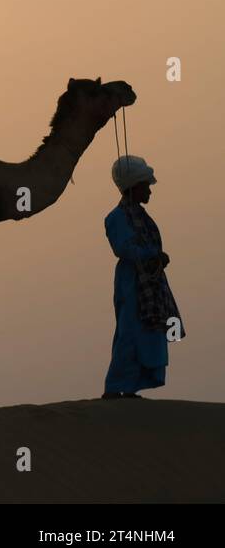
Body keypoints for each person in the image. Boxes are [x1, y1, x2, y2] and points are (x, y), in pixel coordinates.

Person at [101, 155, 182, 399]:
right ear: (134, 187)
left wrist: (156, 258)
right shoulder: (116, 218)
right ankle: (115, 389)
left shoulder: (142, 217)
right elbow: (124, 248)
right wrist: (151, 256)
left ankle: (131, 387)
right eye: (146, 185)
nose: (149, 190)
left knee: (146, 331)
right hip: (132, 281)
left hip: (150, 282)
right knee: (129, 333)